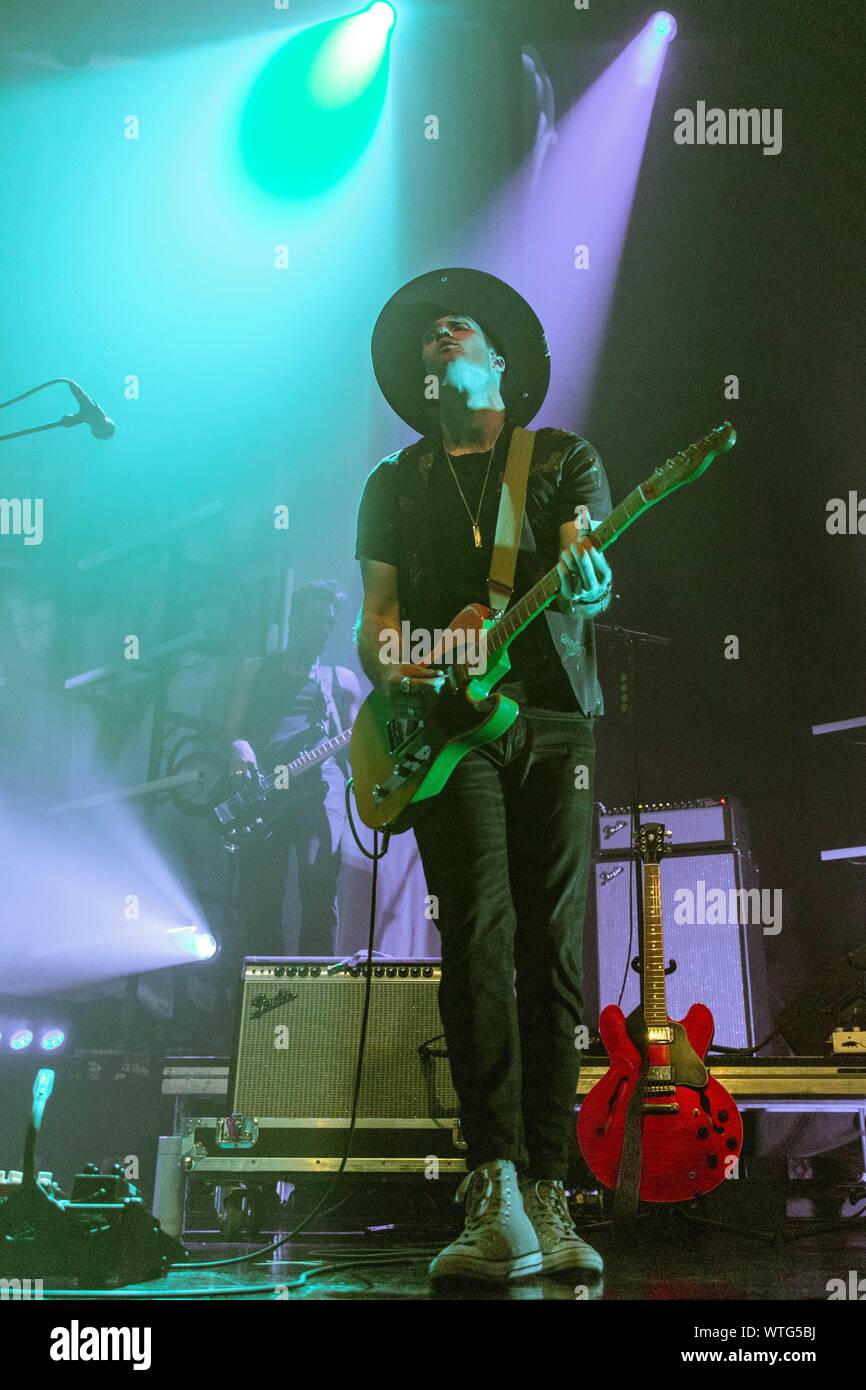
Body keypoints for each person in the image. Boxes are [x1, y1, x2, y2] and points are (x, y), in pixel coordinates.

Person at [354, 268, 613, 1283]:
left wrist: (588, 579)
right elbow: (377, 625)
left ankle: (549, 1188)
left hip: (550, 723)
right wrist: (411, 661)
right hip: (447, 734)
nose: (441, 333)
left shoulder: (561, 458)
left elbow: (583, 560)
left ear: (499, 361)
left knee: (553, 949)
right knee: (477, 938)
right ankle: (492, 1182)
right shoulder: (393, 484)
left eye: (459, 328)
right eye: (429, 334)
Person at [226, 580, 361, 958]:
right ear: (294, 619)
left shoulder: (341, 681)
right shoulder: (255, 670)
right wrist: (239, 747)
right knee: (261, 890)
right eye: (315, 619)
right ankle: (265, 982)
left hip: (321, 786)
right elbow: (232, 732)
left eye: (328, 622)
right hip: (264, 787)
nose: (322, 628)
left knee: (319, 883)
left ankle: (315, 983)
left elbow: (356, 747)